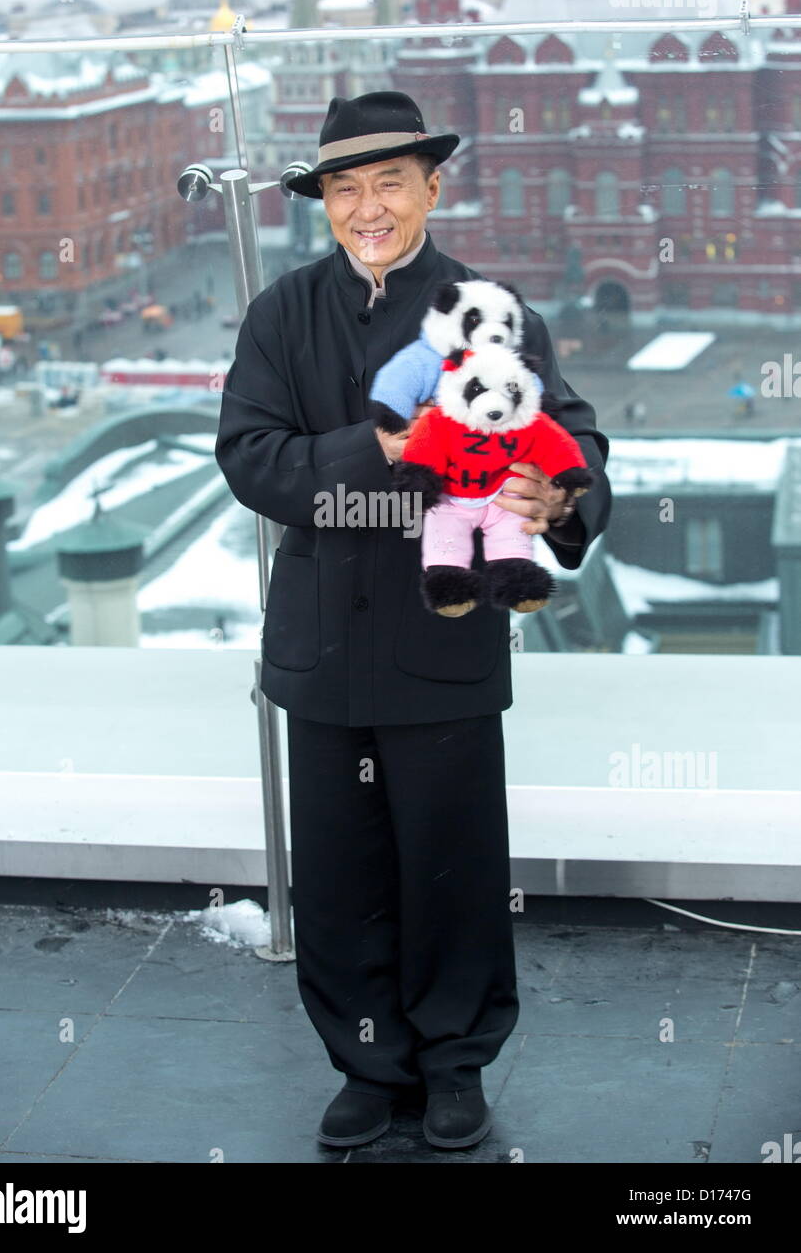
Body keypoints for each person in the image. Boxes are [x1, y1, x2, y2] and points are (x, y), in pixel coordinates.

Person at [215, 90, 611, 1151]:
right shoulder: (279, 314)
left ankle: (451, 1064)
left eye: (389, 181)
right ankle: (365, 1061)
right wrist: (381, 450)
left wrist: (561, 500)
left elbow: (572, 437)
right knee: (338, 874)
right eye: (345, 188)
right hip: (323, 640)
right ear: (324, 205)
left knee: (452, 864)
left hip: (444, 637)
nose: (367, 206)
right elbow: (249, 460)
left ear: (432, 187)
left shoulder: (494, 309)